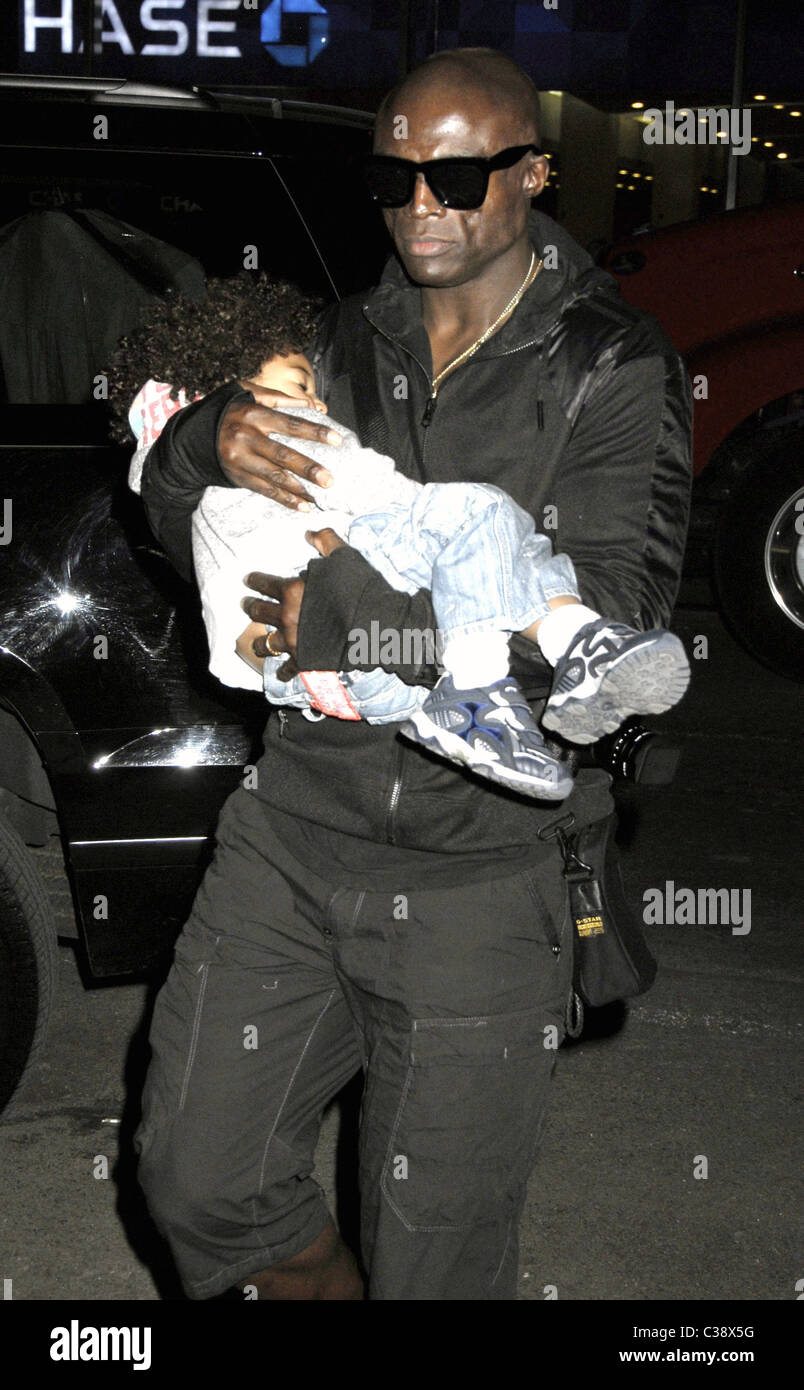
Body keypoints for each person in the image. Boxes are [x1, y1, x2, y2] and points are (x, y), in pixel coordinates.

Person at [131, 48, 693, 1301]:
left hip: (482, 875)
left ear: (534, 172)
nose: (422, 201)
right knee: (193, 1174)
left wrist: (336, 609)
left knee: (436, 1262)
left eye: (458, 172)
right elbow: (190, 529)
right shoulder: (332, 340)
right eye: (397, 174)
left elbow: (604, 628)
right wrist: (198, 441)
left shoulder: (614, 363)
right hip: (292, 835)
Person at [112, 274, 688, 803]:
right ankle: (538, 655)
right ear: (233, 391)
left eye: (314, 387)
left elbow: (624, 588)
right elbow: (374, 493)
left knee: (493, 542)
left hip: (362, 692)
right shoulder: (289, 416)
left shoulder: (610, 354)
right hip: (316, 735)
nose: (315, 403)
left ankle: (555, 657)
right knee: (483, 515)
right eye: (299, 383)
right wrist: (199, 435)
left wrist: (371, 626)